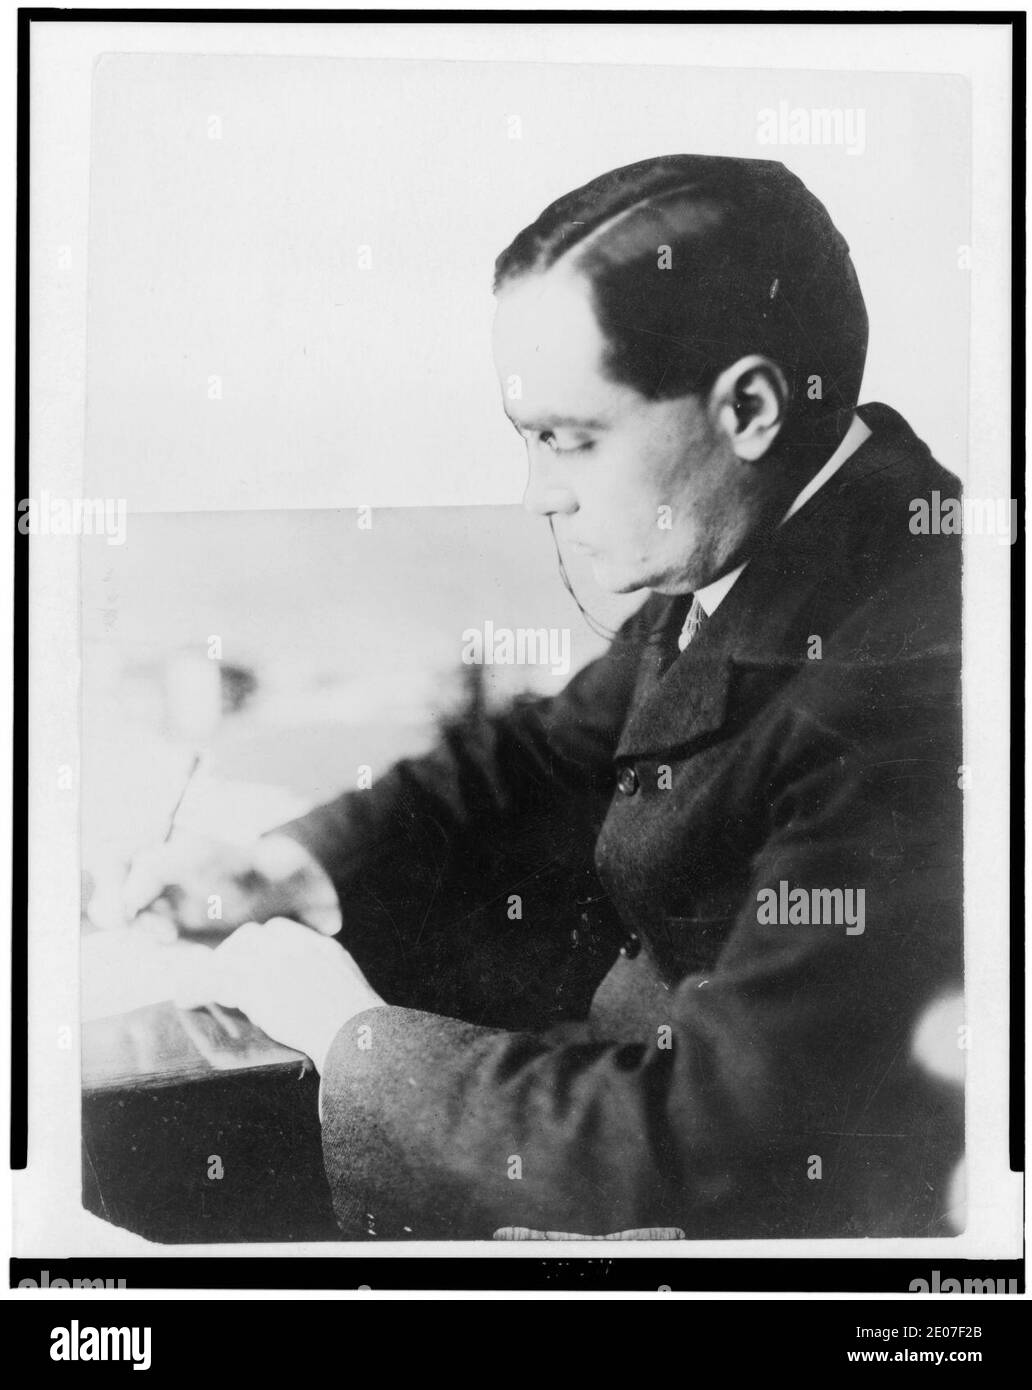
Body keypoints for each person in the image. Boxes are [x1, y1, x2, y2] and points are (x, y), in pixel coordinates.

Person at [120, 155, 964, 1240]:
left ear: (748, 407)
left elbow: (711, 1146)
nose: (538, 495)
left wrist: (347, 1037)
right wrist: (280, 865)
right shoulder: (775, 529)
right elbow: (553, 754)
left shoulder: (916, 678)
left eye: (568, 439)